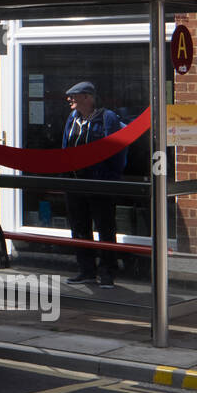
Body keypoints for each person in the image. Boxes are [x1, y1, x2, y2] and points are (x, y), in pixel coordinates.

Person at [62, 81, 128, 288]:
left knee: (105, 227)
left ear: (88, 97)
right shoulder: (72, 118)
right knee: (79, 228)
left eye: (75, 95)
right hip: (75, 182)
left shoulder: (106, 118)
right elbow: (65, 147)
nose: (70, 99)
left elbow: (116, 151)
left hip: (99, 183)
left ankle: (107, 272)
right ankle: (86, 270)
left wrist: (107, 176)